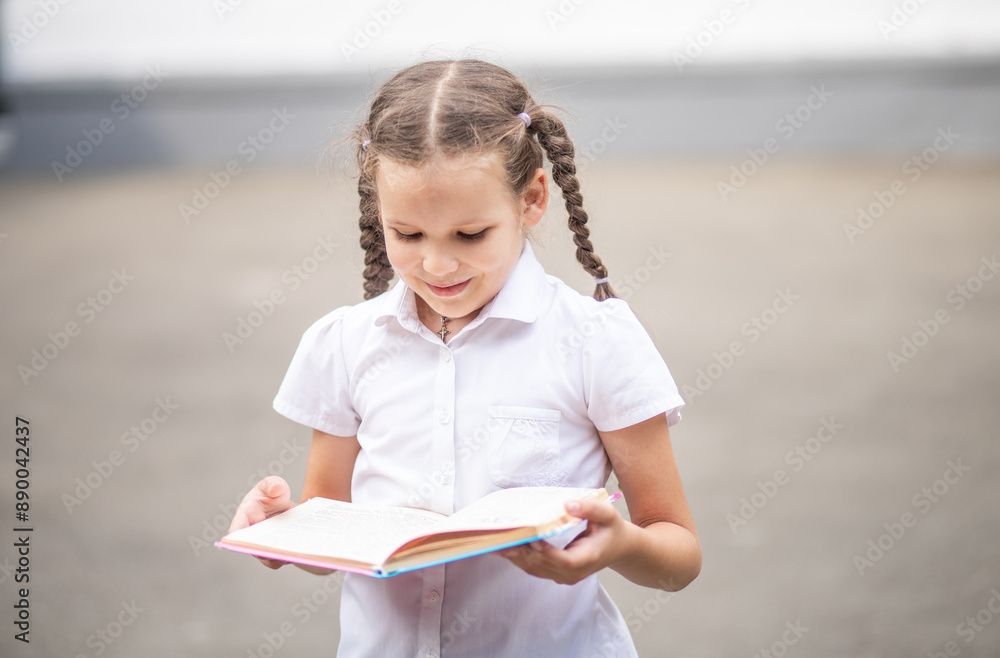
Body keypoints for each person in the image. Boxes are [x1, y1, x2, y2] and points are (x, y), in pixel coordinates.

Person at [228, 58, 701, 657]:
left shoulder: (594, 342)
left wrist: (620, 546)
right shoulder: (346, 342)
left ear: (532, 200)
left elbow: (678, 555)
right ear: (378, 211)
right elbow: (333, 527)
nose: (439, 265)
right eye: (408, 234)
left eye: (470, 235)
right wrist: (280, 530)